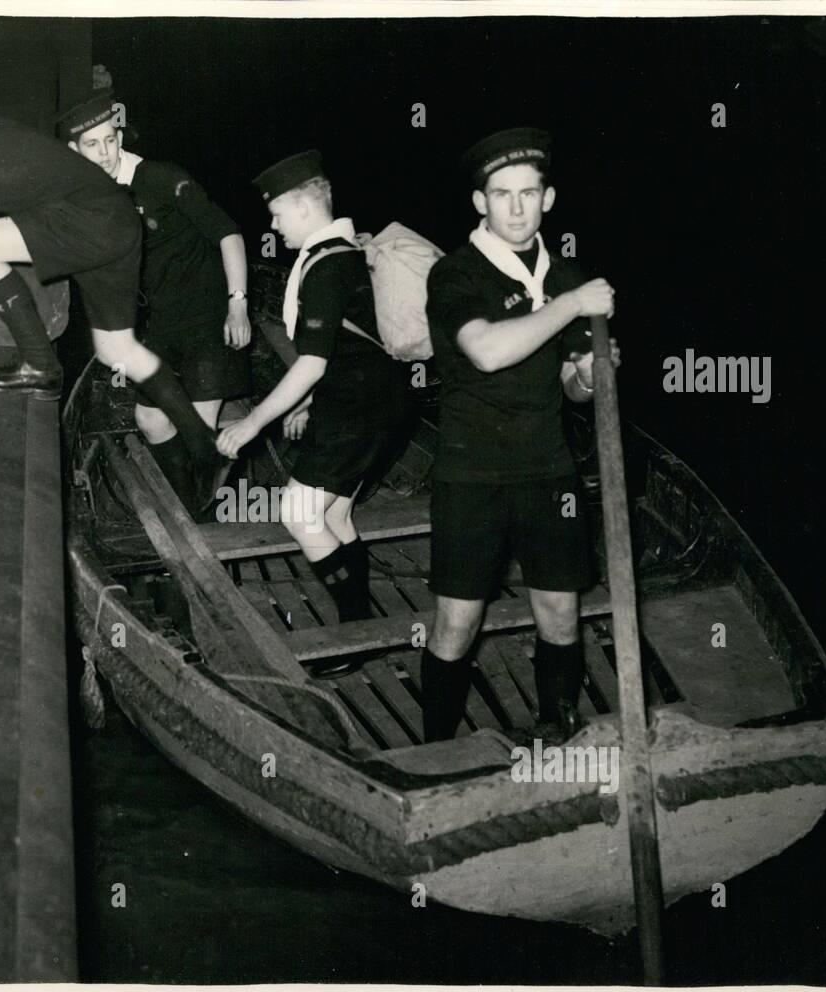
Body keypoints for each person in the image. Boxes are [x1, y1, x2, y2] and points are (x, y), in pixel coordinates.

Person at [0, 71, 223, 497]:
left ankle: (39, 365)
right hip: (116, 223)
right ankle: (207, 447)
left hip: (87, 227)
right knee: (117, 351)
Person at [420, 127, 619, 743]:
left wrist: (588, 373)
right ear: (479, 202)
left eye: (528, 194)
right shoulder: (455, 275)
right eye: (501, 194)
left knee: (562, 612)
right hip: (470, 472)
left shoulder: (566, 275)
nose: (515, 208)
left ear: (548, 200)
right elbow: (485, 351)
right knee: (457, 623)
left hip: (548, 469)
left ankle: (555, 732)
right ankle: (438, 750)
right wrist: (571, 306)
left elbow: (571, 387)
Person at [217, 151, 410, 667]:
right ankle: (361, 632)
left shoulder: (329, 265)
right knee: (336, 513)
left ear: (305, 206)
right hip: (377, 402)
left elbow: (312, 362)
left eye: (278, 213)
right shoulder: (340, 253)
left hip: (357, 409)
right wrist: (303, 403)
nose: (274, 225)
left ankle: (355, 632)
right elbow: (340, 348)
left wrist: (254, 423)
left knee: (298, 512)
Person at [60, 91, 252, 514]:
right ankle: (189, 506)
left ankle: (201, 514)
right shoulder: (91, 196)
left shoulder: (163, 177)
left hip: (208, 314)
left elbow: (228, 233)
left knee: (199, 431)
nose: (105, 152)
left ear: (120, 135)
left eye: (111, 139)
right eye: (92, 145)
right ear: (75, 151)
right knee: (150, 419)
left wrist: (238, 302)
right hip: (161, 320)